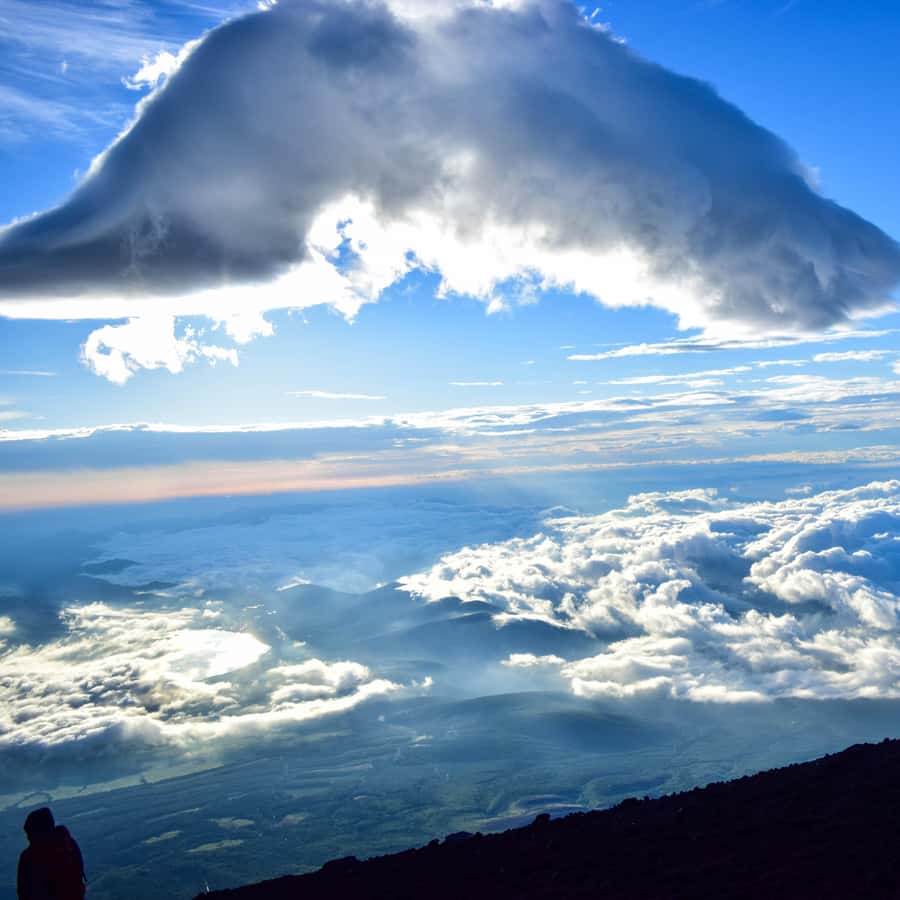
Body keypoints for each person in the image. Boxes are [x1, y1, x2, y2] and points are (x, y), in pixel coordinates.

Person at [17, 807, 86, 900]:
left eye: (30, 834)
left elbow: (24, 893)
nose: (28, 838)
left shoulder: (29, 858)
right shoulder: (69, 845)